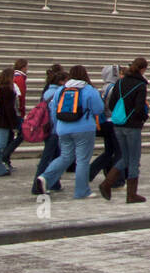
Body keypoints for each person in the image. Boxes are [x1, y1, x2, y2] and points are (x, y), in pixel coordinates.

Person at [33, 65, 105, 199]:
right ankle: (81, 190)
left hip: (63, 128)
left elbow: (54, 110)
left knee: (65, 156)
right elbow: (98, 109)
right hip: (84, 128)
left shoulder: (61, 90)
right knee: (82, 160)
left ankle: (45, 177)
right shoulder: (89, 90)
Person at [99, 57, 149, 203]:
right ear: (143, 69)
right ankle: (131, 194)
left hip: (118, 124)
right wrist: (142, 118)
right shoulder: (140, 85)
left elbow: (112, 103)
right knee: (134, 159)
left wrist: (121, 114)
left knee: (125, 157)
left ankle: (107, 183)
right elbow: (140, 107)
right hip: (132, 125)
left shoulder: (120, 82)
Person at [31, 64, 66, 194]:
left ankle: (54, 183)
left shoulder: (47, 92)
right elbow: (54, 114)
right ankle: (36, 186)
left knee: (56, 156)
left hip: (46, 128)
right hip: (54, 130)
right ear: (61, 82)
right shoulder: (58, 93)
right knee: (47, 158)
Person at [89, 65, 123, 189]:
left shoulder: (103, 88)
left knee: (109, 152)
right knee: (119, 152)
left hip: (106, 122)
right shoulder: (114, 88)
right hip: (113, 121)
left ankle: (90, 172)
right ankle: (117, 180)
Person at [0, 58, 29, 171]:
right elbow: (20, 98)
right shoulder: (20, 78)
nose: (27, 69)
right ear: (23, 67)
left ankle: (6, 160)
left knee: (11, 136)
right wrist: (21, 112)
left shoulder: (16, 77)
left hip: (13, 112)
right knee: (21, 134)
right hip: (16, 113)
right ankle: (5, 156)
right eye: (27, 66)